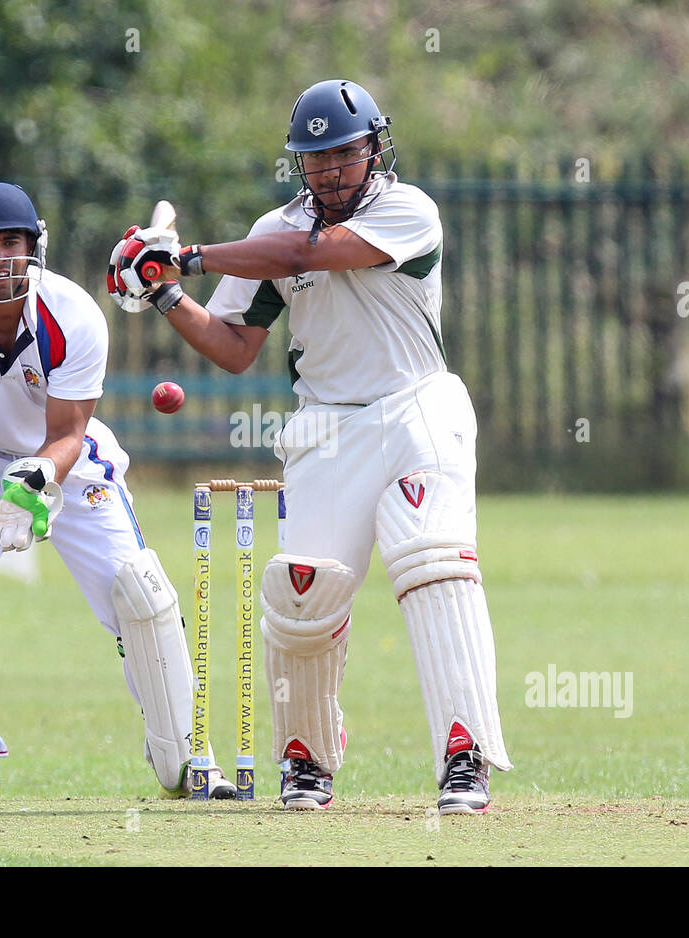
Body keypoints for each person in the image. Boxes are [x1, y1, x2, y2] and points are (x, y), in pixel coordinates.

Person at [108, 80, 512, 813]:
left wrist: (188, 255)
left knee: (435, 565)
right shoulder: (273, 232)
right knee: (302, 590)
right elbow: (234, 347)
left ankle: (466, 756)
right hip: (326, 424)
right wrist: (164, 291)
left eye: (345, 153)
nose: (330, 170)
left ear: (375, 148)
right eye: (315, 158)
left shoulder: (407, 210)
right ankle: (308, 760)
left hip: (417, 405)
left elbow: (311, 251)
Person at [0, 181, 235, 800]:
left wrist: (39, 480)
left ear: (36, 247)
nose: (0, 258)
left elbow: (68, 433)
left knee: (138, 593)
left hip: (71, 464)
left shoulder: (74, 313)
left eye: (12, 242)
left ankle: (190, 754)